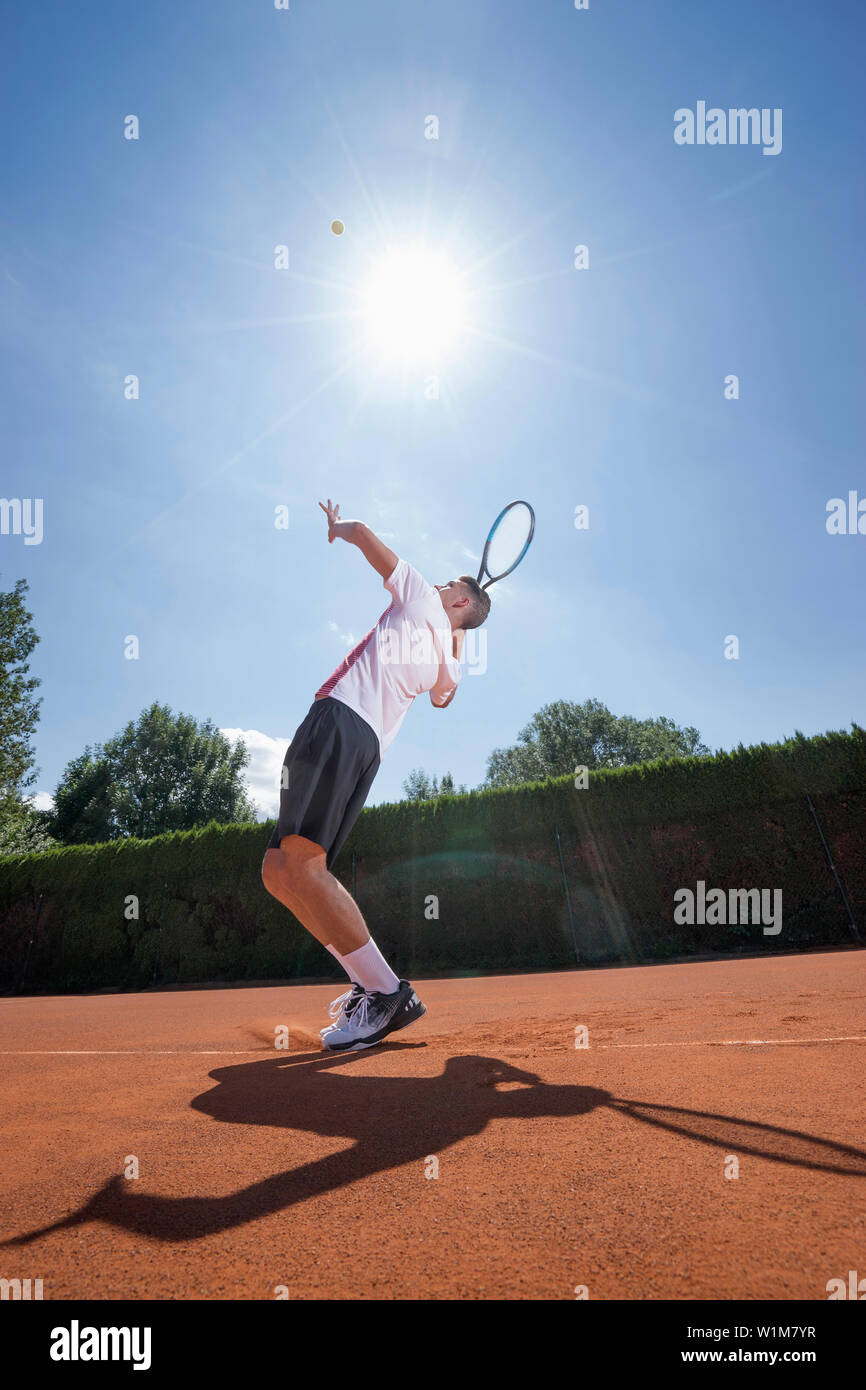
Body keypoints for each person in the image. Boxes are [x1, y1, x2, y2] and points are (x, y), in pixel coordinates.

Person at [261, 499, 491, 1052]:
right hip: (365, 746)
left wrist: (338, 528)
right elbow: (443, 698)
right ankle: (371, 986)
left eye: (448, 586)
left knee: (303, 864)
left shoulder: (420, 596)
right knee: (278, 871)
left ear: (459, 599)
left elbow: (365, 534)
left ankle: (388, 992)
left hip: (341, 721)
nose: (438, 585)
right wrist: (457, 633)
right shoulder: (449, 660)